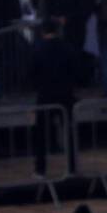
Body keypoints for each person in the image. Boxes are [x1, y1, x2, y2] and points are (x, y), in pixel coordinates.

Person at [31, 18, 76, 178]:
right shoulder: (67, 48)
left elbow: (31, 74)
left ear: (43, 31)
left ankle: (40, 169)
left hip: (45, 95)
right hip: (65, 94)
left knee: (41, 134)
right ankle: (72, 168)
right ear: (57, 30)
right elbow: (74, 71)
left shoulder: (37, 49)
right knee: (69, 132)